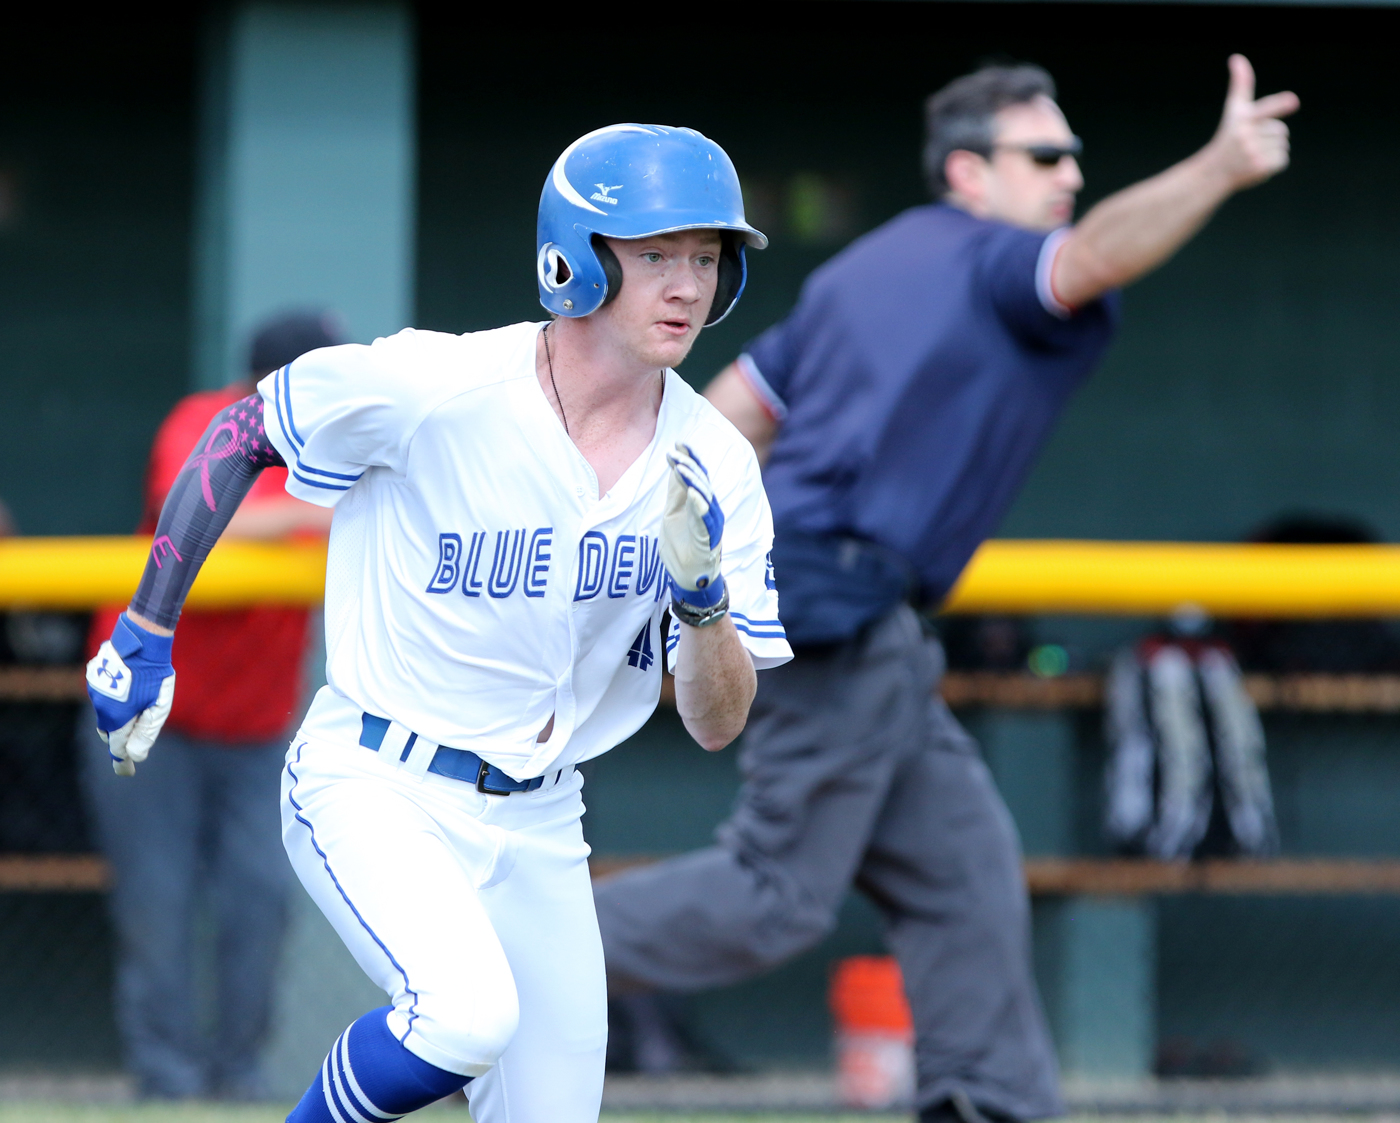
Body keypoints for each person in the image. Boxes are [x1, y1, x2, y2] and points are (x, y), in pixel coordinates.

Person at [593, 56, 1297, 1122]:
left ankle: (986, 1101)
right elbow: (1094, 256)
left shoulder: (866, 268)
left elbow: (732, 406)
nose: (1066, 173)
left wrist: (625, 517)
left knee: (960, 869)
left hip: (848, 605)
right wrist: (1214, 166)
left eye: (1072, 155)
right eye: (1042, 155)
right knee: (771, 895)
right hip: (831, 599)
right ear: (966, 172)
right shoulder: (987, 258)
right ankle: (504, 950)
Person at [83, 123, 790, 1123]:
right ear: (575, 262)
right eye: (654, 255)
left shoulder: (715, 465)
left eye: (704, 258)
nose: (685, 284)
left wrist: (704, 599)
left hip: (543, 815)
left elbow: (719, 721)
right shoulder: (437, 386)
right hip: (377, 775)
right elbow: (240, 431)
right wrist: (145, 631)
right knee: (460, 1016)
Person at [79, 312, 342, 1099]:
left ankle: (236, 1077)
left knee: (260, 898)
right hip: (149, 718)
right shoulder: (209, 421)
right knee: (156, 902)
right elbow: (185, 522)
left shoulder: (340, 453)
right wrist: (305, 515)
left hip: (259, 728)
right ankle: (166, 1081)